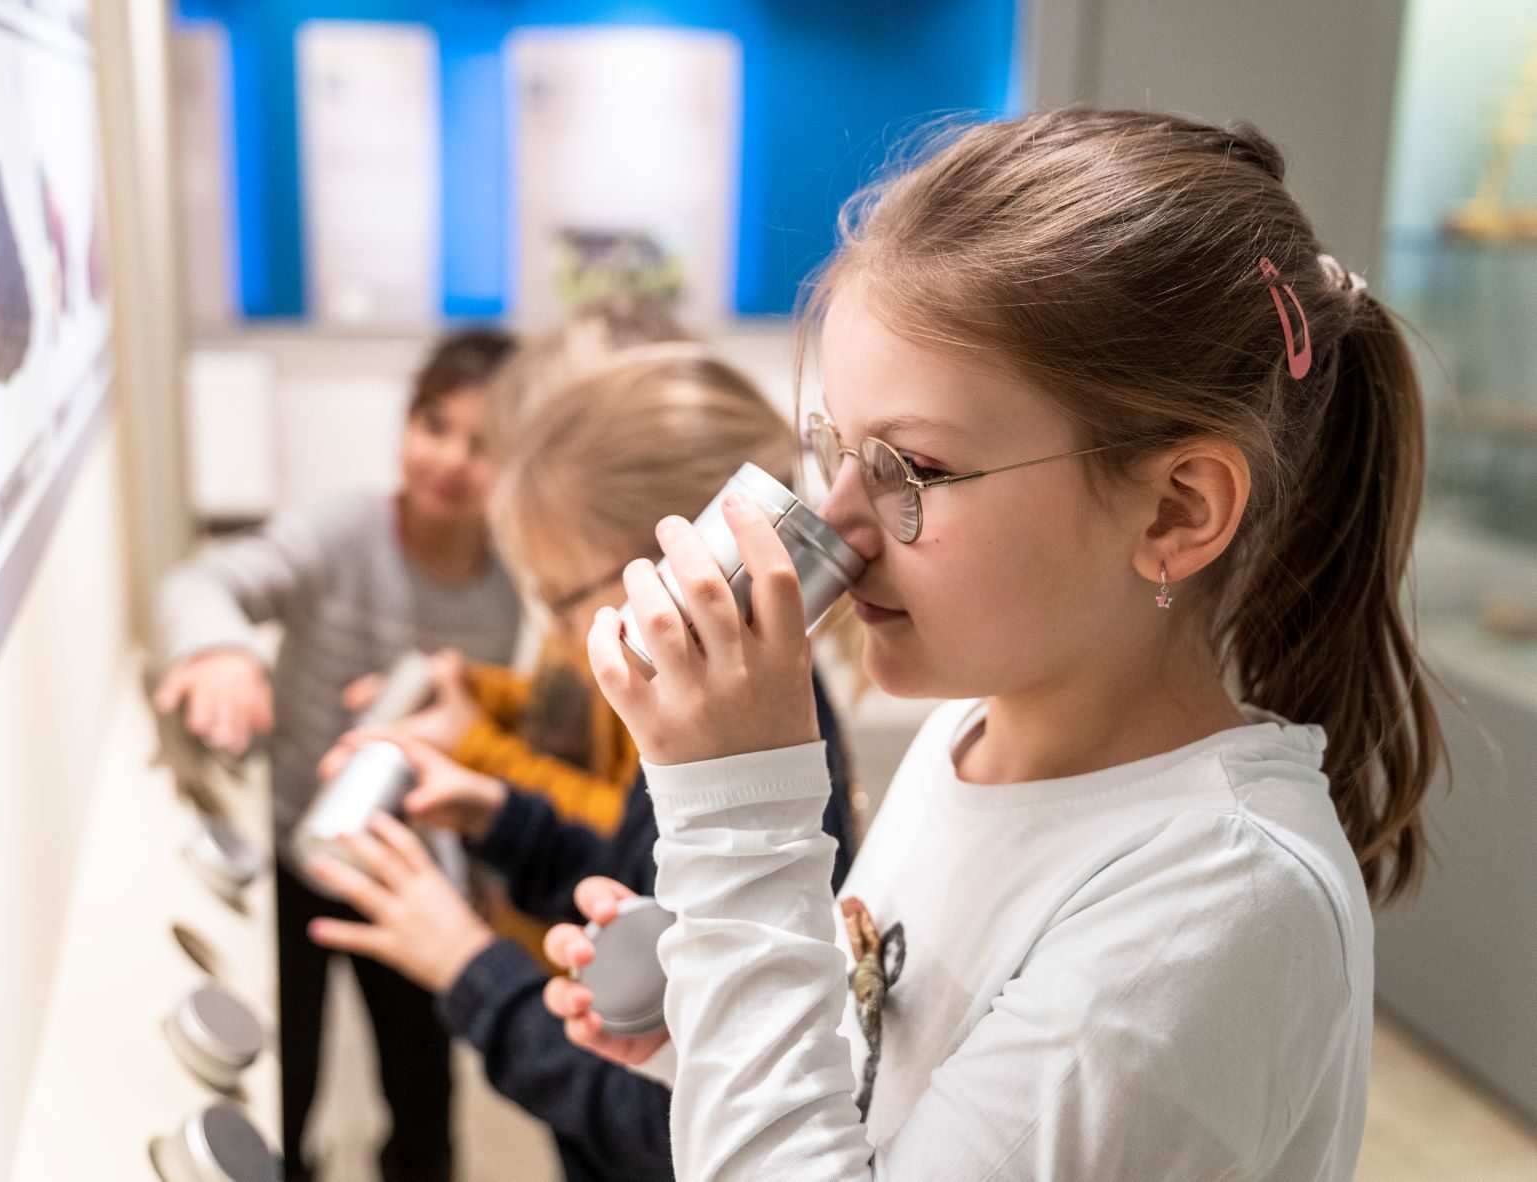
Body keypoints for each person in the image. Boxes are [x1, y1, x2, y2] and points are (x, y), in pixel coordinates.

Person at [545, 109, 1448, 1180]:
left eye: (911, 469)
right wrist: (719, 1008)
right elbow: (902, 1091)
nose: (835, 522)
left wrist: (741, 834)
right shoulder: (965, 741)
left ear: (1174, 512)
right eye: (831, 445)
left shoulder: (1220, 900)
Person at [307, 347, 859, 1182]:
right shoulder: (707, 715)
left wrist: (470, 969)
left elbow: (667, 1119)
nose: (563, 635)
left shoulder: (754, 749)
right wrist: (500, 816)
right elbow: (637, 895)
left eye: (564, 598)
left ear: (687, 567)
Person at [152, 329, 521, 1182]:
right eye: (434, 424)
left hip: (401, 874)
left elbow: (482, 753)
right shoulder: (342, 530)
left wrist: (490, 884)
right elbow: (198, 584)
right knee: (290, 1085)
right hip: (290, 856)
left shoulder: (499, 598)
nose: (451, 460)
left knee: (424, 1096)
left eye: (485, 446)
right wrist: (222, 650)